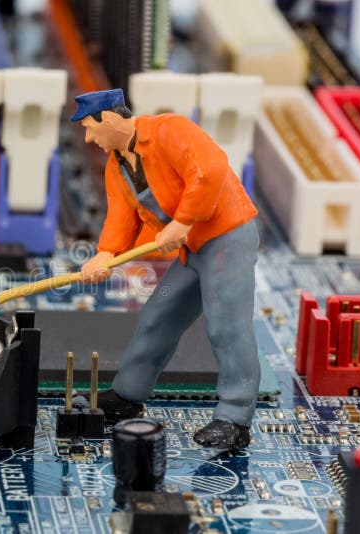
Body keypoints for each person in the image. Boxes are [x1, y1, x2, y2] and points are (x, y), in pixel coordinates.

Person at [72, 88, 260, 450]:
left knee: (226, 326)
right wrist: (106, 253)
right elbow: (121, 216)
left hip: (226, 240)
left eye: (89, 128)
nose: (88, 138)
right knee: (159, 315)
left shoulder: (168, 130)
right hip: (193, 249)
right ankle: (127, 395)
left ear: (108, 119)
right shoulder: (117, 165)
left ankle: (235, 418)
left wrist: (184, 221)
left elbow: (211, 168)